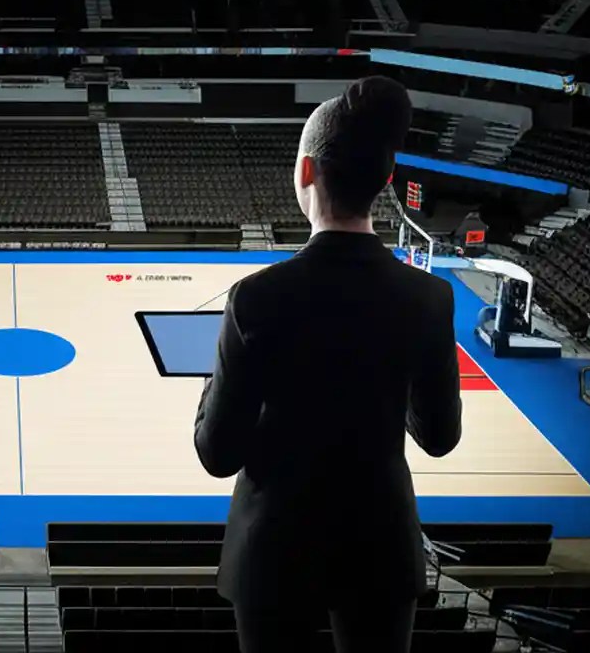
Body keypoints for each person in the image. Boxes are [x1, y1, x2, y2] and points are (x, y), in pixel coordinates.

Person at [193, 76, 463, 653]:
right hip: (381, 546)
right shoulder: (430, 298)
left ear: (306, 172)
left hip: (272, 550)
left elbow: (218, 454)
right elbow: (439, 437)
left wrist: (213, 383)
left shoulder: (256, 299)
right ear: (385, 181)